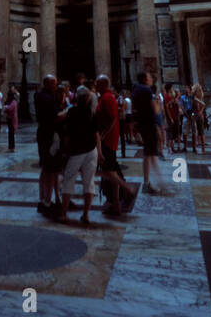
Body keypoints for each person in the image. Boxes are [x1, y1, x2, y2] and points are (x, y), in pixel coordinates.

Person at [59, 86, 101, 227]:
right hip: (91, 150)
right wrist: (99, 152)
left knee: (69, 180)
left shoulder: (72, 112)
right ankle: (86, 214)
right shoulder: (91, 112)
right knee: (89, 182)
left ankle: (64, 213)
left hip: (76, 151)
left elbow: (67, 134)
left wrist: (64, 150)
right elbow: (96, 134)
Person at [95, 75, 135, 215]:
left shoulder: (107, 97)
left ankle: (127, 190)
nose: (95, 84)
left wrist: (103, 135)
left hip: (107, 141)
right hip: (106, 140)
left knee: (109, 171)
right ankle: (116, 203)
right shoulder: (105, 97)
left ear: (103, 84)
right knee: (112, 171)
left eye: (97, 83)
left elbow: (112, 118)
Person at [131, 70, 162, 193]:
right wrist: (158, 103)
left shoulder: (135, 90)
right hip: (149, 124)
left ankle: (156, 180)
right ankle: (149, 183)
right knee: (150, 154)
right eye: (149, 77)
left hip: (142, 125)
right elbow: (156, 110)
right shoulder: (147, 90)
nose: (151, 79)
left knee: (150, 154)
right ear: (144, 79)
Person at [34, 74, 61, 215]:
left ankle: (43, 199)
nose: (56, 86)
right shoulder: (48, 98)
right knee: (50, 169)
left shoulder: (40, 96)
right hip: (49, 136)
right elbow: (54, 118)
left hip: (43, 134)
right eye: (54, 83)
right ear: (48, 84)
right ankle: (46, 202)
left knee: (46, 168)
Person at [3, 86, 19, 151]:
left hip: (12, 119)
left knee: (11, 134)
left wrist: (6, 107)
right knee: (10, 134)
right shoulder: (11, 101)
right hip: (10, 119)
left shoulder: (13, 101)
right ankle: (11, 147)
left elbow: (10, 108)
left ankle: (12, 147)